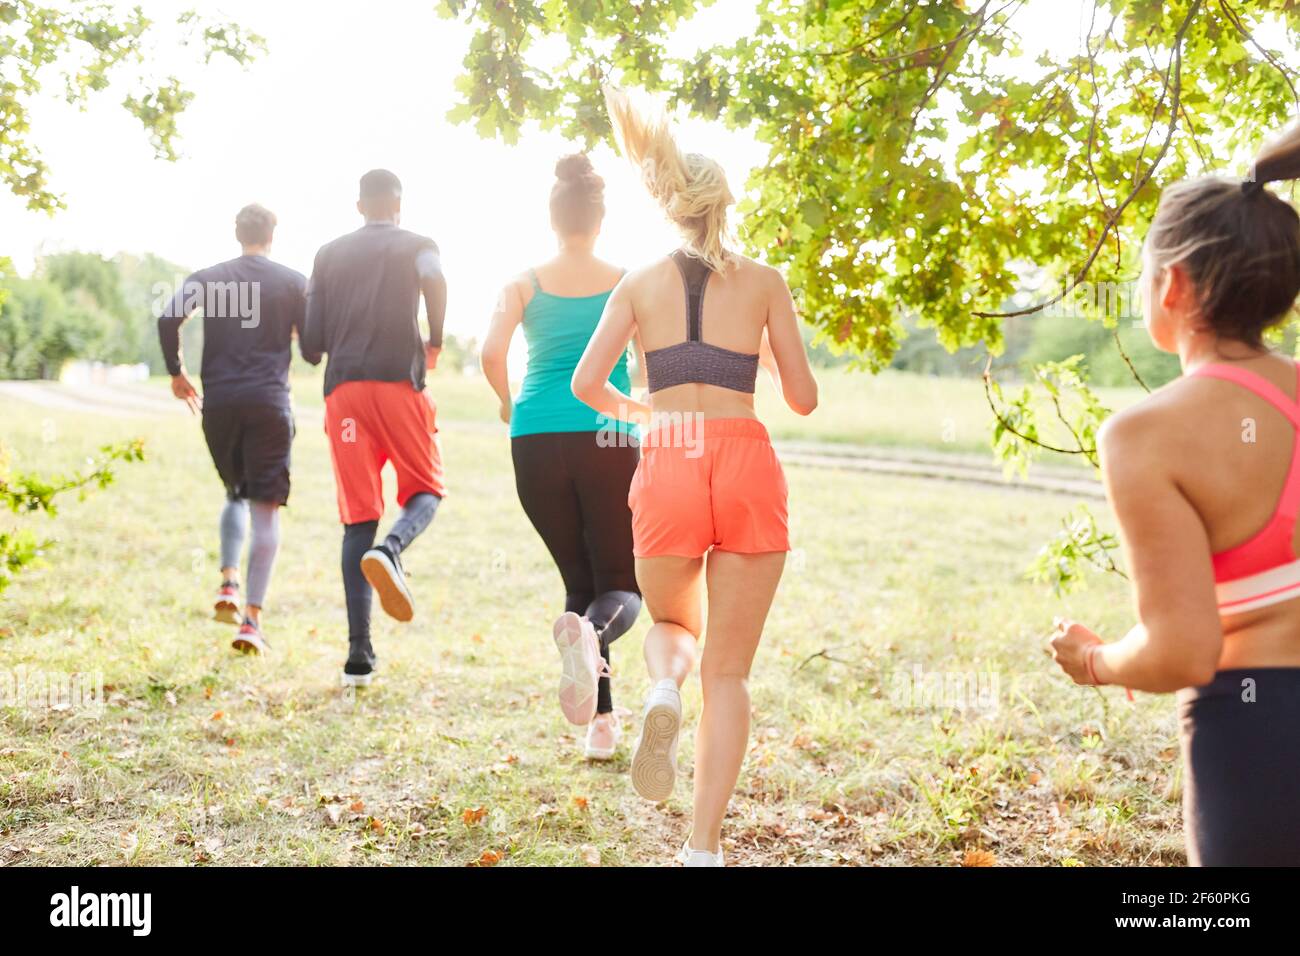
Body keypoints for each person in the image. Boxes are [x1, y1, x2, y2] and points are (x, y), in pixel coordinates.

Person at [572, 88, 818, 866]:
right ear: (725, 204)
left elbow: (585, 384)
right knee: (733, 673)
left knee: (674, 626)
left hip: (670, 453)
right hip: (745, 456)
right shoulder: (767, 280)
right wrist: (759, 358)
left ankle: (660, 692)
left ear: (672, 207)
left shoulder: (638, 283)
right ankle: (702, 848)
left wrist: (644, 410)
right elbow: (805, 400)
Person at [1048, 122, 1300, 866]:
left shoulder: (1147, 434)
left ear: (1173, 285)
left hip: (1262, 734)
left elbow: (1184, 652)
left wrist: (1094, 661)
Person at [481, 154, 644, 761]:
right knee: (621, 583)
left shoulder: (520, 283)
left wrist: (506, 401)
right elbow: (647, 364)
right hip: (607, 434)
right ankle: (597, 644)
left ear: (554, 220)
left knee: (579, 582)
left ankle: (600, 727)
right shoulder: (629, 279)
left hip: (535, 438)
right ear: (599, 220)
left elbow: (494, 352)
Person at [302, 169, 448, 688]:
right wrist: (434, 338)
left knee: (357, 517)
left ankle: (358, 658)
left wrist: (323, 341)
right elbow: (434, 276)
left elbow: (311, 344)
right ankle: (391, 550)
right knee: (426, 489)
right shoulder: (417, 244)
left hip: (343, 393)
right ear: (399, 206)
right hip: (397, 385)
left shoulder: (327, 254)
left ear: (359, 205)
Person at [157, 203, 317, 654]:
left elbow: (168, 318)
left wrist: (176, 372)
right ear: (273, 234)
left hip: (220, 402)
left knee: (234, 492)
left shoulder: (207, 278)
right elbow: (311, 354)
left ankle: (228, 581)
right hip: (268, 402)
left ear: (236, 234)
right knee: (265, 507)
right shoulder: (292, 282)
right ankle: (251, 621)